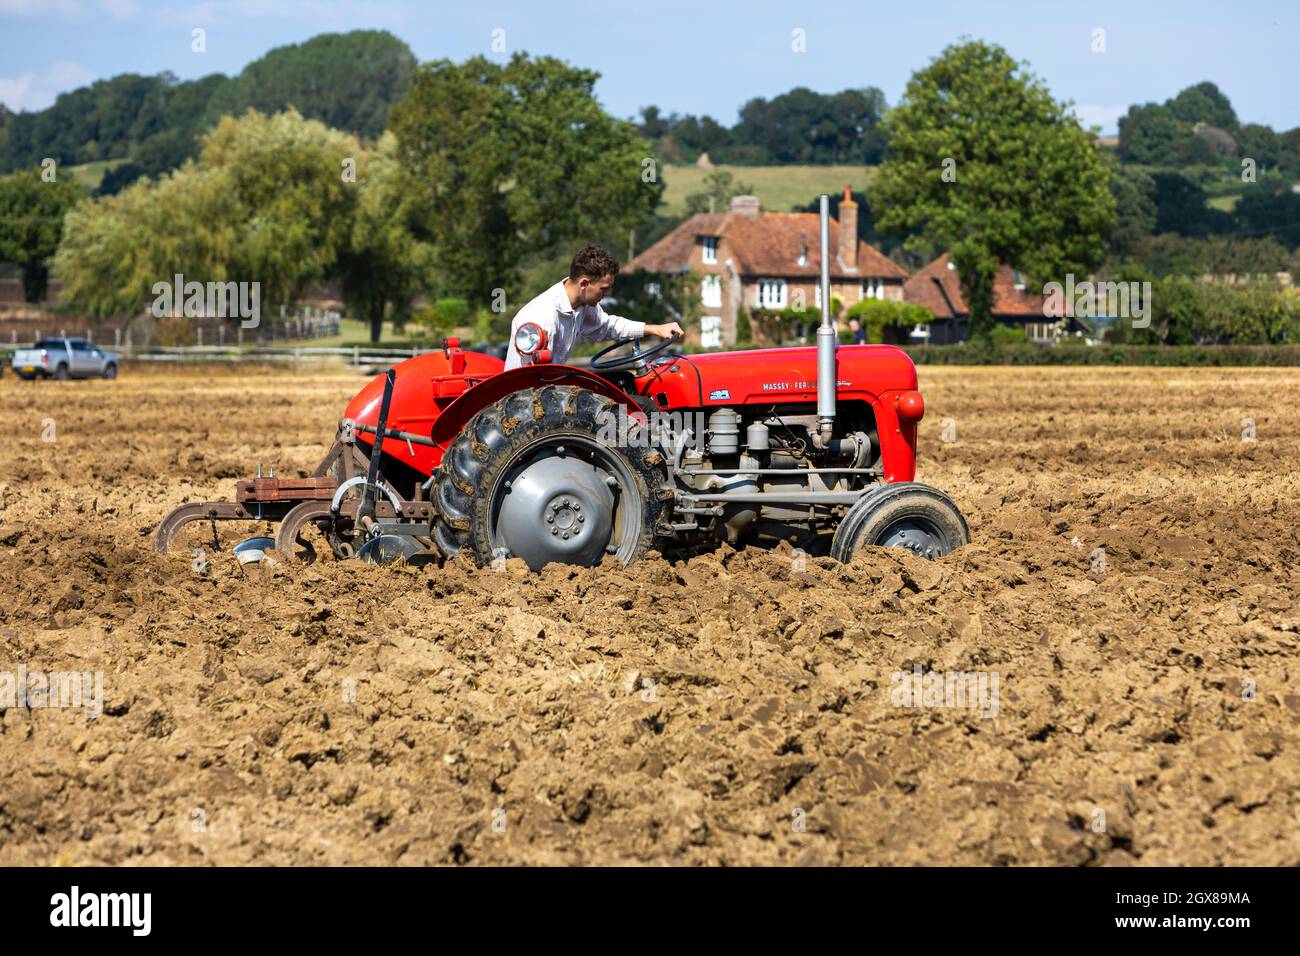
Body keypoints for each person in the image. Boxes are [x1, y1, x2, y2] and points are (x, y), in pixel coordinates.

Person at [504, 244, 683, 370]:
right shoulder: (542, 317)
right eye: (604, 289)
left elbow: (608, 327)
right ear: (584, 283)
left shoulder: (582, 306)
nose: (608, 294)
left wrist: (656, 329)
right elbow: (533, 377)